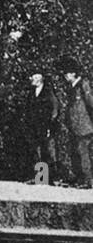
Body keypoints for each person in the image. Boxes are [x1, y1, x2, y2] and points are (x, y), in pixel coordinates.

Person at [57, 57, 93, 188]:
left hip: (84, 126)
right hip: (74, 127)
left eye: (66, 73)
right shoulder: (71, 87)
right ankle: (79, 179)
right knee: (75, 153)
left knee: (83, 154)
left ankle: (87, 181)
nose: (65, 76)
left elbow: (90, 103)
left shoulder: (83, 84)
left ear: (73, 73)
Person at [24, 73, 63, 183]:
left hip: (44, 125)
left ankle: (50, 178)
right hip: (33, 126)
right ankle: (38, 177)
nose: (33, 79)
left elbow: (55, 108)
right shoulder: (31, 93)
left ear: (41, 80)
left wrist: (51, 124)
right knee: (35, 151)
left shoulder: (48, 92)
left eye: (36, 78)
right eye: (32, 77)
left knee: (46, 151)